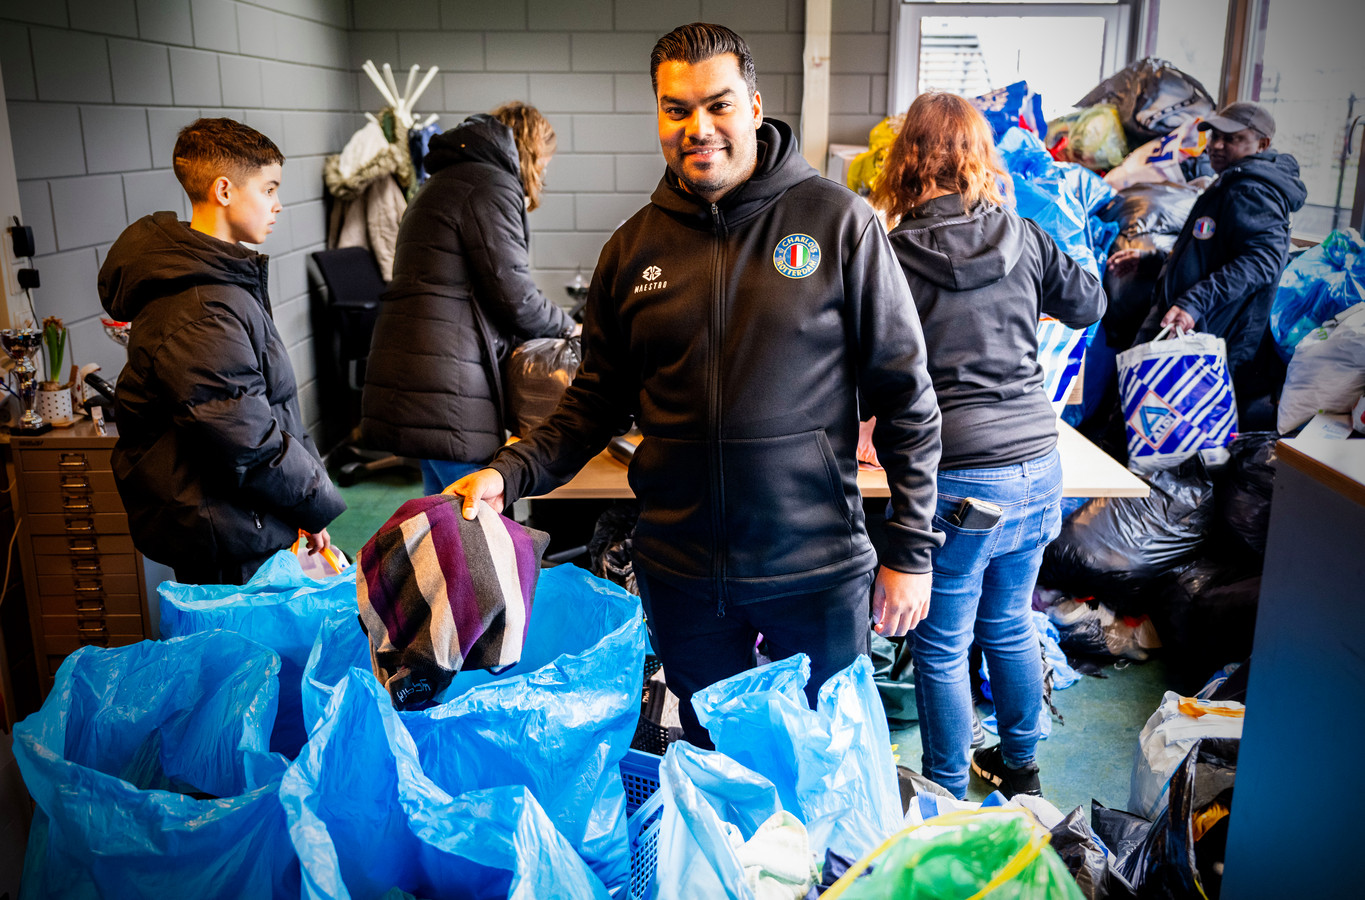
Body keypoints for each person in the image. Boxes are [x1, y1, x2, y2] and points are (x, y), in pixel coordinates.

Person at [449, 22, 943, 747]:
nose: (698, 128)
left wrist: (910, 550)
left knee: (821, 766)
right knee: (711, 766)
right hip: (682, 576)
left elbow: (907, 397)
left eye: (717, 105)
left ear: (753, 104)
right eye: (676, 109)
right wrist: (506, 471)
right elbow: (590, 404)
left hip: (813, 571)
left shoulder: (836, 223)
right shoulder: (632, 249)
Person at [868, 92, 1106, 799]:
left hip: (963, 478)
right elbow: (1089, 304)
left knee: (943, 641)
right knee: (1007, 621)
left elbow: (863, 364)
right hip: (1040, 466)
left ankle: (942, 786)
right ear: (978, 158)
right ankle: (1019, 770)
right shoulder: (1023, 234)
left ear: (906, 160)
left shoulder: (893, 253)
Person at [98, 118, 345, 586]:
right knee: (247, 659)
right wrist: (312, 502)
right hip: (226, 531)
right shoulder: (199, 308)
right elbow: (245, 440)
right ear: (225, 191)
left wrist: (307, 506)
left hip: (244, 517)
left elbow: (270, 408)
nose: (277, 205)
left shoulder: (221, 283)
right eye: (269, 189)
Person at [361, 102, 578, 495]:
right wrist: (571, 327)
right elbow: (515, 297)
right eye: (544, 161)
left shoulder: (444, 180)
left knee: (441, 520)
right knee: (478, 523)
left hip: (416, 366)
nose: (543, 172)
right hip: (447, 378)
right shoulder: (491, 185)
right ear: (528, 152)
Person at [1113, 102, 1306, 417]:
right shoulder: (1233, 180)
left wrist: (1194, 303)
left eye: (1231, 138)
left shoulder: (1252, 189)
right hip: (1191, 324)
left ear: (1263, 144)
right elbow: (1211, 252)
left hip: (1206, 332)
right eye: (1214, 135)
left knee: (1159, 430)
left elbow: (1263, 260)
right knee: (1147, 424)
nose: (1216, 145)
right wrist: (1151, 261)